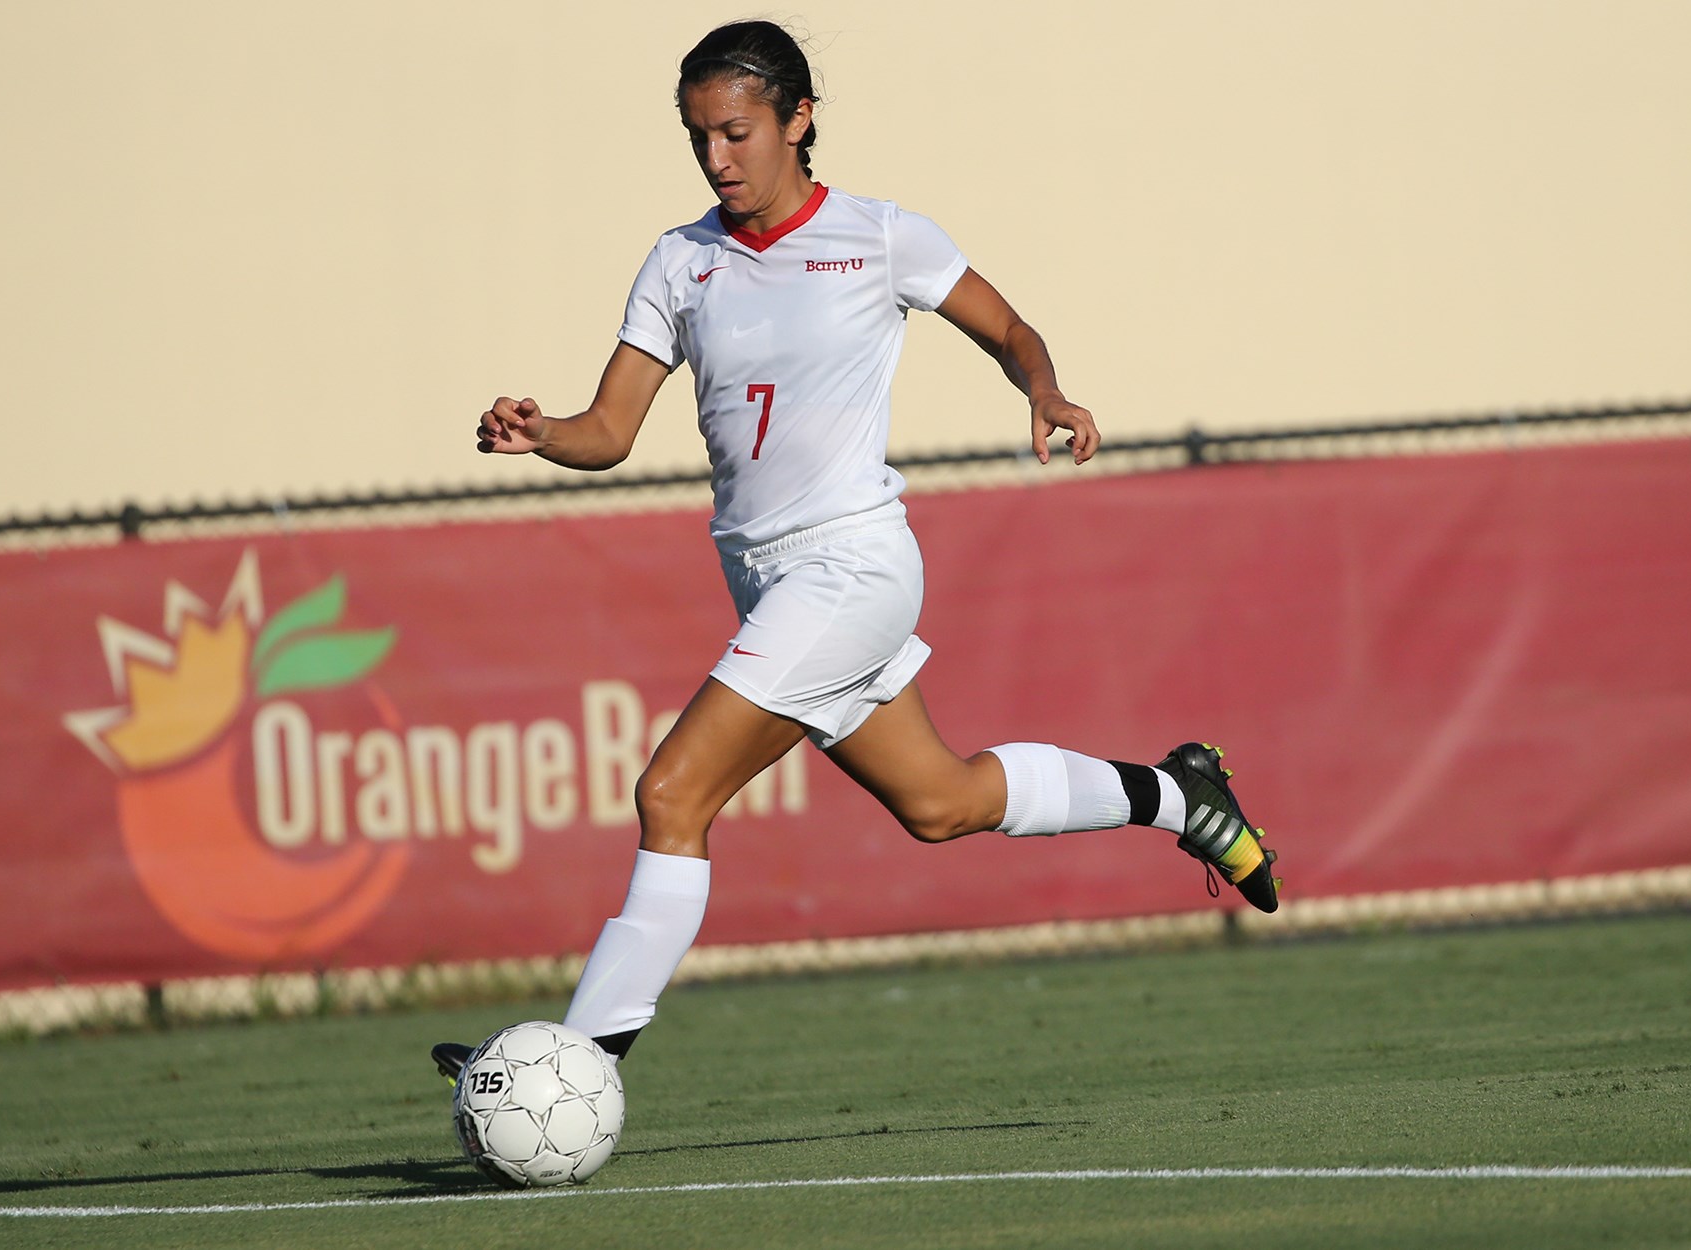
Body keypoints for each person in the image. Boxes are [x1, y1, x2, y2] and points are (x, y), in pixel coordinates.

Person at [434, 19, 1277, 1081]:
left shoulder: (880, 236)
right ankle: (1179, 793)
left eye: (735, 131)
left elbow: (1011, 331)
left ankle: (582, 1057)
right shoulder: (678, 261)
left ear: (799, 119)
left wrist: (1045, 390)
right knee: (942, 801)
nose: (716, 157)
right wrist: (542, 430)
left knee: (671, 793)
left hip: (851, 568)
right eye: (697, 137)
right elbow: (607, 432)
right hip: (768, 585)